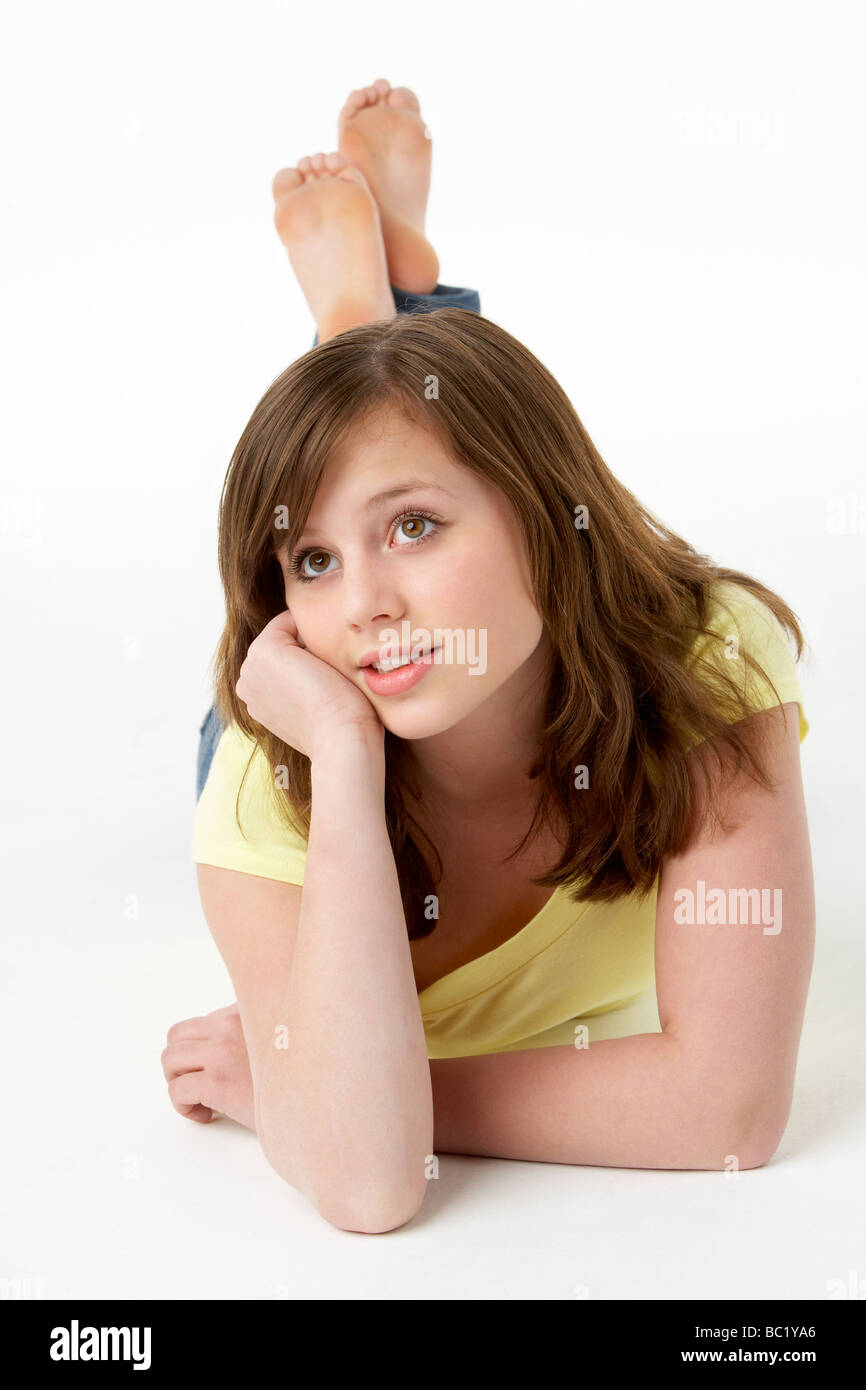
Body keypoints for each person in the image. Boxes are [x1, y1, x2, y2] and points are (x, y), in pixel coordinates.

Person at [164, 78, 815, 1234]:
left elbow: (725, 1113)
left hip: (508, 636)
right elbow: (367, 1191)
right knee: (364, 440)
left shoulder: (702, 661)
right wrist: (346, 765)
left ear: (539, 509)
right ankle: (366, 325)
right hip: (322, 719)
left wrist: (328, 1098)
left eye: (413, 528)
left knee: (388, 422)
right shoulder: (275, 775)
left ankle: (365, 323)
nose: (360, 603)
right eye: (308, 561)